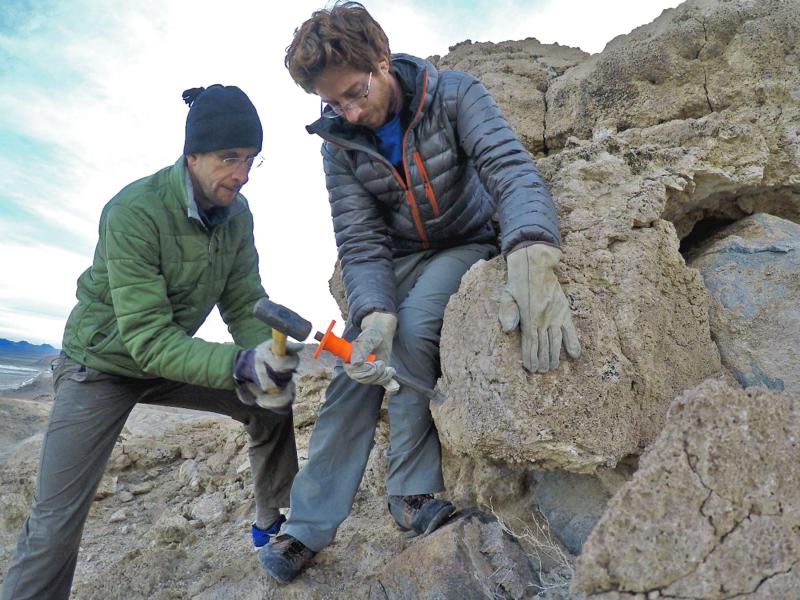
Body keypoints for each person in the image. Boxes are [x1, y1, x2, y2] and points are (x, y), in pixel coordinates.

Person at [258, 1, 581, 584]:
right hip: (400, 255)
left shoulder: (454, 93)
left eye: (356, 93)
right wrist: (372, 312)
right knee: (356, 366)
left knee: (414, 332)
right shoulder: (337, 143)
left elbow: (509, 167)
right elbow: (359, 240)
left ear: (382, 61)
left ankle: (411, 493)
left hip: (465, 238)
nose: (349, 113)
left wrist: (533, 247)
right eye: (332, 104)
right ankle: (306, 527)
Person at [1, 84, 301, 600]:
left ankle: (272, 520)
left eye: (252, 159)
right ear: (193, 154)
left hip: (162, 356)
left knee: (272, 401)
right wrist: (239, 364)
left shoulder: (237, 214)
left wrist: (266, 359)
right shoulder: (134, 211)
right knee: (56, 520)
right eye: (230, 158)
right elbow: (145, 337)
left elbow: (244, 298)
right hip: (98, 365)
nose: (243, 173)